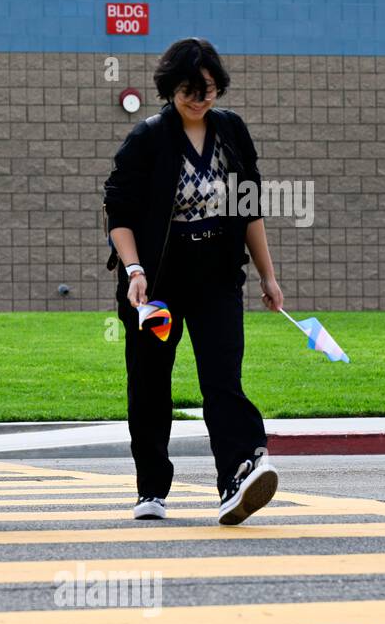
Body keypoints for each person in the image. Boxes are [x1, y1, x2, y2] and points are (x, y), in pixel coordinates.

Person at [104, 37, 283, 526]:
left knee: (222, 377)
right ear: (170, 88)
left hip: (216, 277)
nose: (199, 98)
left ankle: (239, 475)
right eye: (188, 89)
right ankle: (151, 488)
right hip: (156, 282)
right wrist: (134, 271)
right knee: (150, 383)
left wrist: (268, 275)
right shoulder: (148, 137)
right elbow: (118, 210)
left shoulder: (232, 133)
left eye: (207, 89)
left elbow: (249, 207)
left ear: (218, 88)